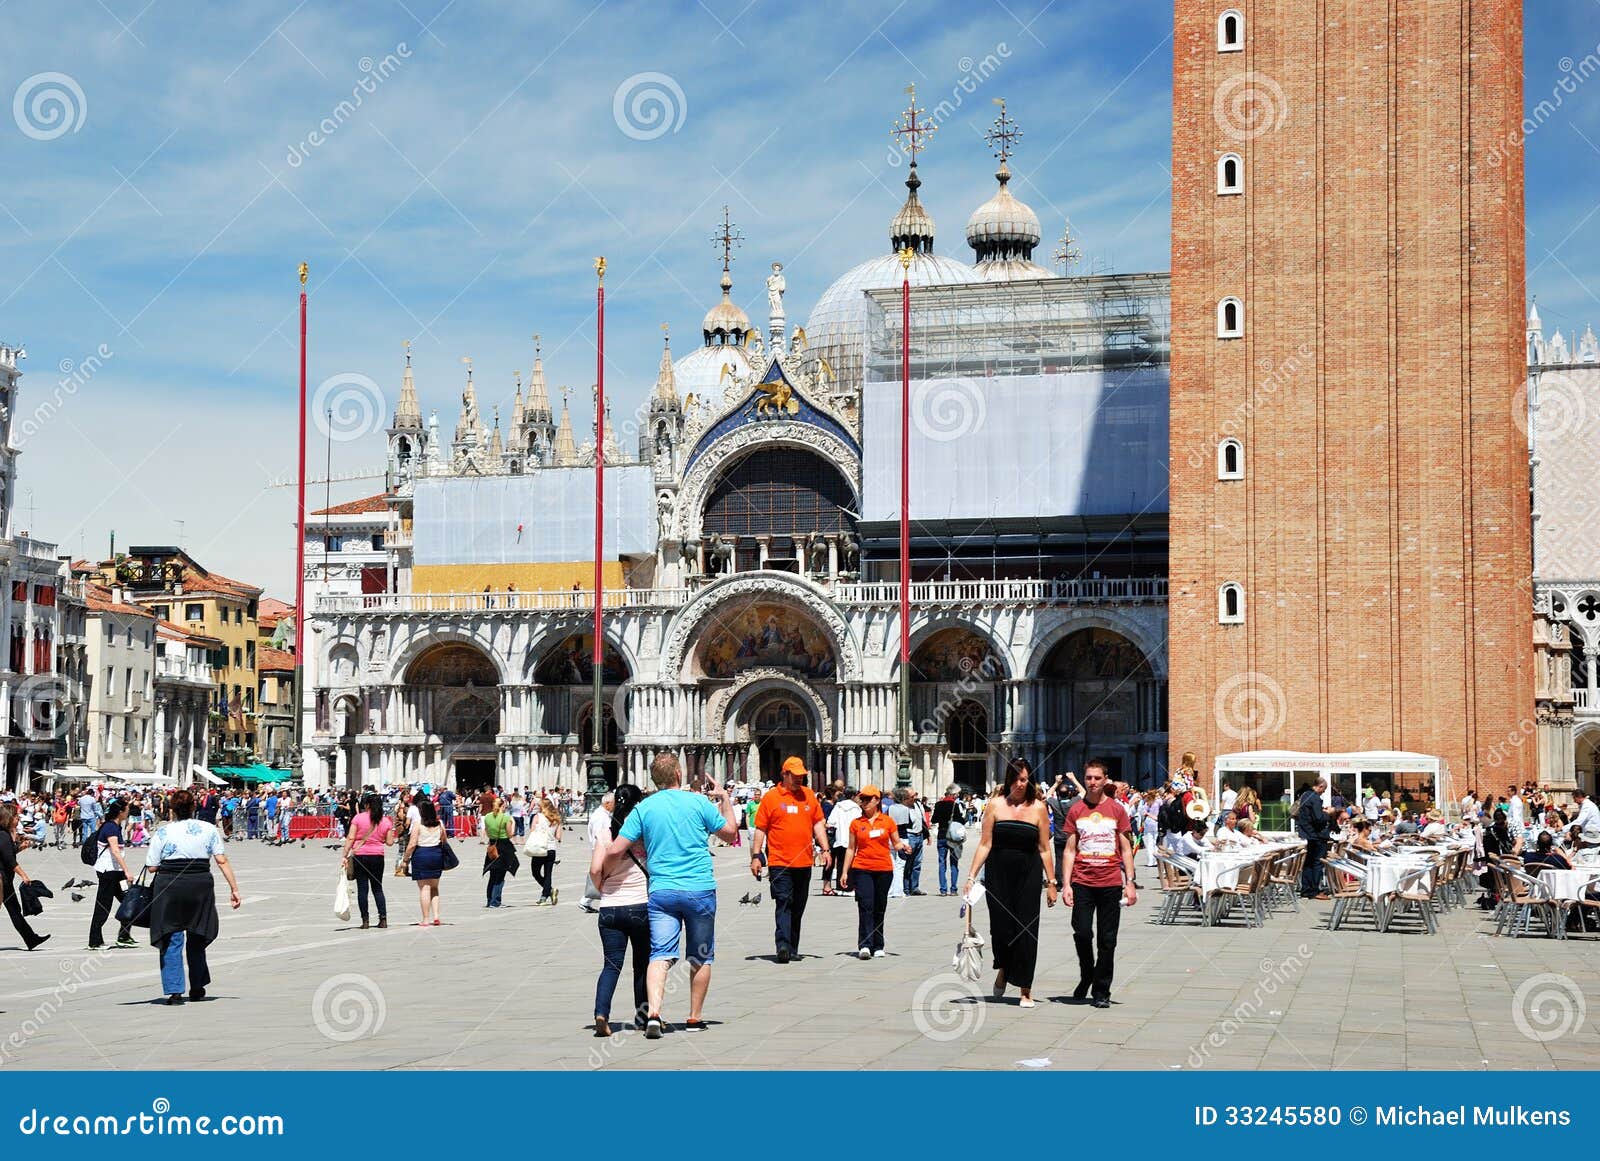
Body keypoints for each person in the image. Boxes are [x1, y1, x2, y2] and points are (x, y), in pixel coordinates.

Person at [602, 753, 738, 1039]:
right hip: (699, 888)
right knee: (701, 955)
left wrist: (604, 876)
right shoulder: (699, 802)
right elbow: (730, 834)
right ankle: (694, 1017)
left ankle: (653, 1014)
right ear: (679, 773)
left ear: (655, 779)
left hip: (662, 891)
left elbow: (615, 849)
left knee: (660, 955)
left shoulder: (644, 808)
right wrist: (724, 799)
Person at [963, 759, 1056, 1008]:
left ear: (1030, 780)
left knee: (1027, 930)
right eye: (1015, 779)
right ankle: (1004, 967)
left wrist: (1052, 882)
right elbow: (985, 843)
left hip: (1028, 874)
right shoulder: (995, 805)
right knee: (1001, 929)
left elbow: (1045, 848)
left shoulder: (1038, 808)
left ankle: (1026, 989)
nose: (1019, 784)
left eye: (1023, 779)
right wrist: (971, 876)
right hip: (998, 874)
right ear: (1007, 780)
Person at [146, 789, 241, 1003]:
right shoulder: (208, 829)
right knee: (197, 933)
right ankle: (197, 986)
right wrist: (234, 889)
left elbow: (151, 867)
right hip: (199, 884)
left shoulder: (163, 832)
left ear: (172, 809)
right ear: (193, 807)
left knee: (171, 935)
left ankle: (175, 990)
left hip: (169, 885)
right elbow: (221, 860)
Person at [1060, 760, 1136, 1008]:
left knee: (1107, 939)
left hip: (1110, 882)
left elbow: (1125, 849)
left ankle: (1101, 990)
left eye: (1096, 778)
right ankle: (1087, 975)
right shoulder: (1076, 810)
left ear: (1105, 780)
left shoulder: (1117, 810)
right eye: (1088, 777)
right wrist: (1066, 884)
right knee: (1082, 932)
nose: (1092, 782)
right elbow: (1069, 850)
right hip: (1082, 882)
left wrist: (1130, 882)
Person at [750, 756, 829, 962]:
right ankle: (783, 945)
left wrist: (825, 848)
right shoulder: (771, 798)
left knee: (798, 906)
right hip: (779, 862)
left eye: (802, 776)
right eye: (795, 776)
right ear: (784, 774)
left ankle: (793, 947)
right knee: (784, 901)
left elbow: (818, 824)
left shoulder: (809, 796)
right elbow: (760, 829)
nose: (799, 780)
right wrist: (756, 856)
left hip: (804, 862)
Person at [589, 784, 649, 1037]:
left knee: (611, 965)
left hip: (610, 908)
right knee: (643, 965)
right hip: (641, 905)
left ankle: (601, 1014)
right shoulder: (644, 832)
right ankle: (643, 1017)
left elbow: (594, 869)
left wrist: (603, 887)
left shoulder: (605, 832)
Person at [840, 785, 909, 959]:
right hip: (862, 868)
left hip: (883, 869)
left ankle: (878, 945)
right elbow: (850, 848)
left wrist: (904, 847)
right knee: (865, 906)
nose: (864, 802)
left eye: (867, 799)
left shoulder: (887, 821)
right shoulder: (856, 823)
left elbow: (896, 842)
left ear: (877, 800)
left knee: (879, 908)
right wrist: (844, 872)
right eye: (862, 799)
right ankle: (865, 944)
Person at [88, 798, 137, 949]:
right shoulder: (110, 827)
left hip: (117, 873)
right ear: (120, 811)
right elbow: (115, 851)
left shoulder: (116, 826)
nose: (128, 812)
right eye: (127, 809)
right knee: (103, 906)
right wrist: (127, 871)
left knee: (129, 901)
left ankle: (124, 936)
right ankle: (94, 941)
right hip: (108, 872)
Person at [341, 793, 394, 928]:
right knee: (377, 889)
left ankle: (365, 920)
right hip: (377, 856)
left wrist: (344, 855)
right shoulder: (386, 821)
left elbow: (351, 838)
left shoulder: (358, 818)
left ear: (367, 805)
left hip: (360, 856)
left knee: (362, 889)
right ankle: (383, 919)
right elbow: (389, 842)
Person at [0, 803, 48, 951]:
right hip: (2, 880)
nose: (18, 819)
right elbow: (9, 861)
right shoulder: (2, 835)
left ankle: (31, 938)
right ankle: (31, 938)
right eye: (15, 816)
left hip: (6, 881)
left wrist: (20, 847)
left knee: (14, 909)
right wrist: (24, 876)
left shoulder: (5, 834)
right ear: (8, 818)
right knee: (13, 909)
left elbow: (8, 854)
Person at [402, 797, 449, 926]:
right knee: (434, 887)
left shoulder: (418, 825)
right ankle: (436, 916)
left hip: (421, 855)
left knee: (424, 888)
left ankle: (426, 919)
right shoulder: (440, 824)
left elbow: (412, 844)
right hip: (436, 855)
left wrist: (405, 859)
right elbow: (444, 840)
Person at [1295, 777, 1333, 900]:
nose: (1323, 792)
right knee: (1317, 862)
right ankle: (1314, 890)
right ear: (1320, 786)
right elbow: (1318, 818)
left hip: (1306, 833)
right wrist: (1328, 813)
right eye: (1324, 789)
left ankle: (1306, 889)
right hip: (1316, 835)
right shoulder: (1315, 798)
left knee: (1308, 862)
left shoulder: (1305, 794)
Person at [479, 795, 516, 909]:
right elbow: (510, 834)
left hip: (492, 845)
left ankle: (489, 899)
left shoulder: (487, 817)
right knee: (500, 875)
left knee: (492, 874)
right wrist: (513, 824)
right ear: (502, 806)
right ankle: (495, 901)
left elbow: (487, 832)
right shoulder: (505, 818)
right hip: (503, 846)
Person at [581, 791, 614, 913]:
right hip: (600, 851)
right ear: (607, 803)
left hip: (601, 850)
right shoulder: (600, 817)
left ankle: (586, 901)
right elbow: (598, 836)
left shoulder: (603, 815)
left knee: (602, 876)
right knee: (600, 875)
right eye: (614, 803)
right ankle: (585, 900)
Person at [931, 785, 967, 896]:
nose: (957, 796)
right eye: (956, 794)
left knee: (942, 863)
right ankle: (953, 889)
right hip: (953, 837)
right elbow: (961, 821)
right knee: (954, 863)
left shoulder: (938, 804)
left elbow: (934, 819)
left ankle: (943, 890)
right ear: (952, 794)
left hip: (941, 835)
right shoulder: (955, 805)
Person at [827, 785, 861, 897]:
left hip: (840, 839)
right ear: (853, 796)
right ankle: (849, 887)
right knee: (850, 864)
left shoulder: (838, 806)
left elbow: (831, 822)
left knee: (841, 863)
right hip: (851, 839)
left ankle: (840, 887)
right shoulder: (856, 808)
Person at [528, 799, 562, 906]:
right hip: (551, 849)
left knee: (536, 873)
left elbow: (532, 830)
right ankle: (546, 893)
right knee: (548, 874)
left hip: (540, 848)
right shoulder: (556, 819)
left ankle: (548, 892)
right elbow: (559, 837)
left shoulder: (538, 816)